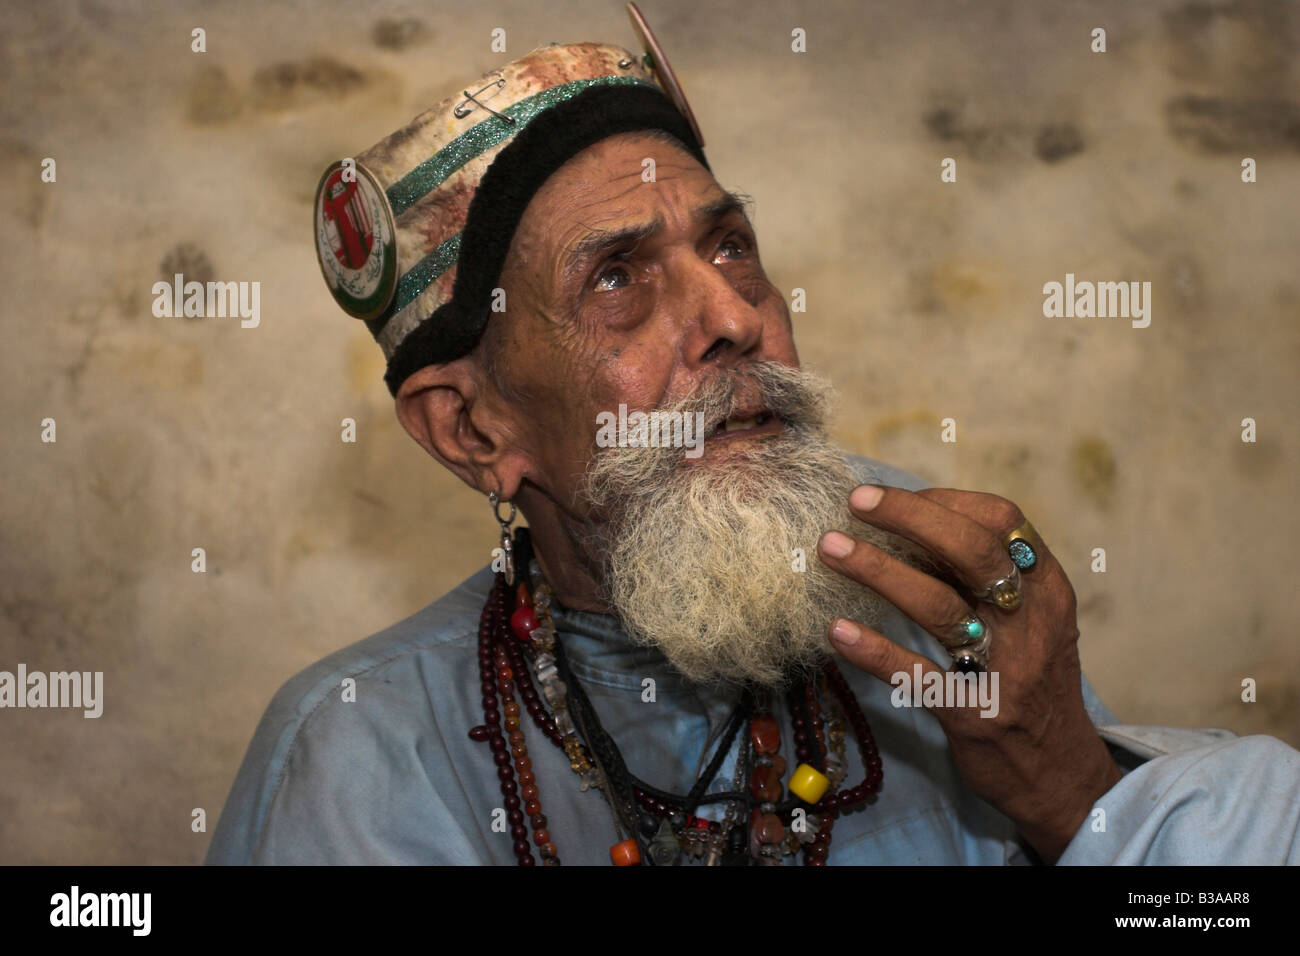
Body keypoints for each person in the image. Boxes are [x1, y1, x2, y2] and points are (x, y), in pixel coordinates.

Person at [207, 26, 1299, 866]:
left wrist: (1068, 786)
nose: (733, 314)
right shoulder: (357, 758)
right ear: (473, 426)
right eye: (617, 278)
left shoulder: (926, 596)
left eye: (731, 246)